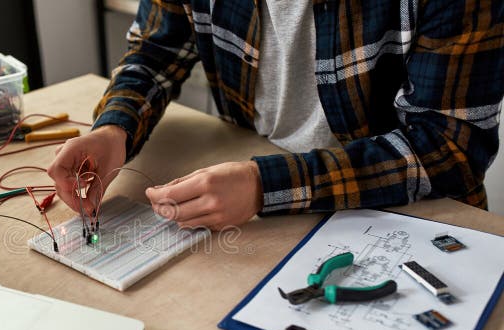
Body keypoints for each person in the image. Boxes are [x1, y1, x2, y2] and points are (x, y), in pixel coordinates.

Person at [47, 0, 503, 230]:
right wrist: (113, 128)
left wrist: (265, 185)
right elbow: (156, 47)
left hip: (415, 214)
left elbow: (450, 146)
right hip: (259, 196)